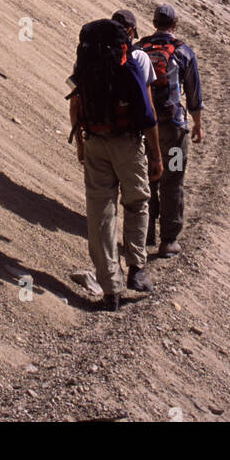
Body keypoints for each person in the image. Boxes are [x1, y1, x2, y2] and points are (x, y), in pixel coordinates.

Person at [68, 16, 163, 312]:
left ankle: (110, 289)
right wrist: (157, 154)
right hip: (127, 143)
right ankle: (136, 268)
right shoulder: (132, 60)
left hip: (94, 139)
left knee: (101, 214)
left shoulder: (86, 60)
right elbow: (147, 113)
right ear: (129, 34)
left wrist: (81, 143)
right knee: (136, 202)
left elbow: (74, 101)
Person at [137, 4, 204, 258]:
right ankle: (169, 241)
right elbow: (194, 92)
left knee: (148, 176)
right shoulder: (183, 52)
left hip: (145, 127)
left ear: (154, 23)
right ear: (175, 25)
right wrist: (197, 123)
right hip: (174, 129)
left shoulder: (140, 49)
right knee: (173, 179)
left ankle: (145, 234)